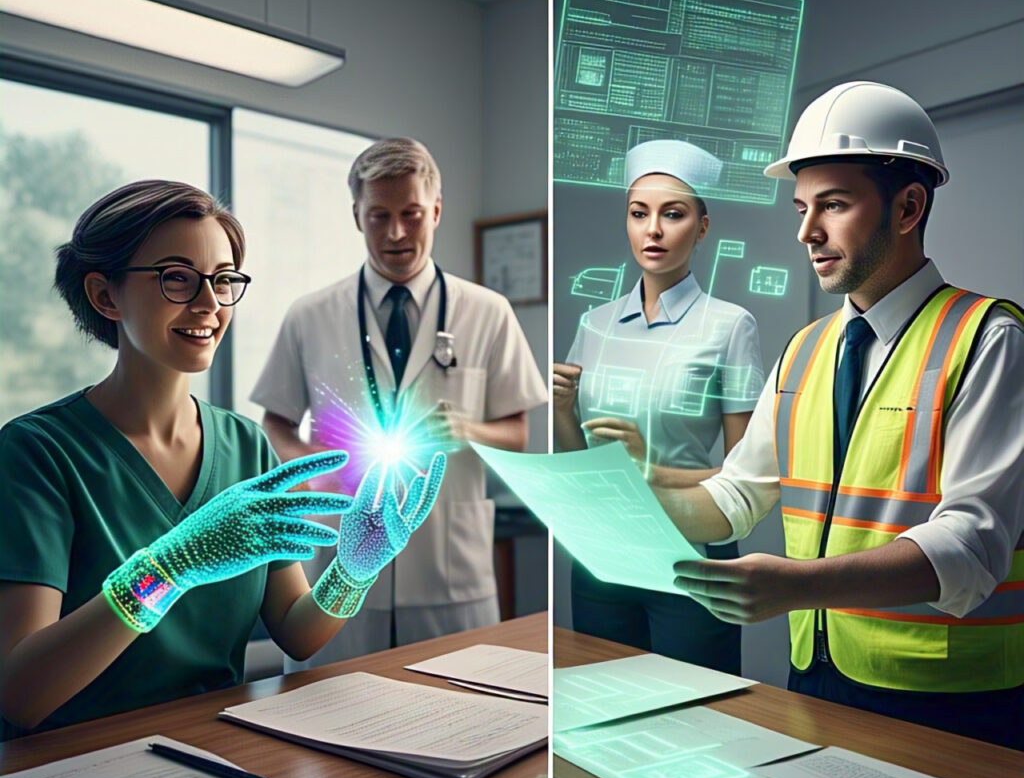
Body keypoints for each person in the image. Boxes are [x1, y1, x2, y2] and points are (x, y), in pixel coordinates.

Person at [0, 181, 443, 740]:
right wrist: (169, 568)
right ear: (105, 296)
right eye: (177, 278)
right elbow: (20, 694)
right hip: (74, 770)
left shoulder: (246, 445)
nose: (209, 304)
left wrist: (352, 571)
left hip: (218, 753)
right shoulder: (38, 452)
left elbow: (295, 632)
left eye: (224, 280)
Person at [662, 82, 1024, 748]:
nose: (807, 232)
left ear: (909, 206)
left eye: (833, 205)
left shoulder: (990, 338)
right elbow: (738, 495)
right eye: (801, 208)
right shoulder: (805, 351)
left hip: (954, 705)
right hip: (820, 679)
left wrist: (795, 586)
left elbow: (972, 547)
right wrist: (621, 496)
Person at [252, 137, 547, 662]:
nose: (395, 233)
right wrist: (314, 469)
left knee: (464, 708)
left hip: (448, 563)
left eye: (411, 214)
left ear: (436, 211)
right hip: (341, 551)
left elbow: (518, 434)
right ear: (356, 215)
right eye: (378, 215)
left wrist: (468, 430)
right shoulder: (310, 314)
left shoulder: (489, 311)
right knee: (331, 715)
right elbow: (275, 422)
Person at [553, 140, 764, 672]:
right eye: (639, 213)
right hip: (602, 558)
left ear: (702, 226)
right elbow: (579, 464)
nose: (653, 230)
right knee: (602, 712)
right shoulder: (594, 323)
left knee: (696, 721)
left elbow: (747, 476)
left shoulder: (730, 325)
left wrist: (652, 469)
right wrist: (560, 409)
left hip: (690, 557)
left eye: (673, 214)